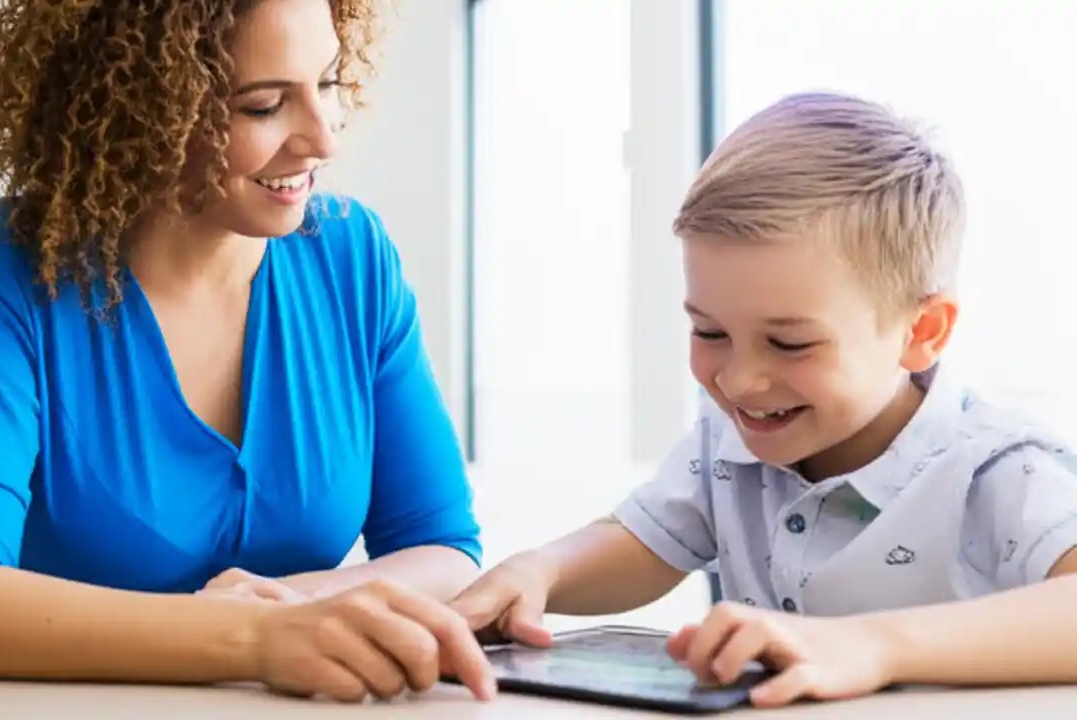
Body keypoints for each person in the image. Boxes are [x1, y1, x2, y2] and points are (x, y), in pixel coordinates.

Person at [0, 0, 495, 703]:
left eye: (329, 82)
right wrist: (253, 637)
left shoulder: (352, 257)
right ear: (140, 106)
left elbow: (445, 551)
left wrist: (300, 610)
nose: (323, 139)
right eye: (262, 106)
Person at [452, 92, 1077, 708]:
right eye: (709, 333)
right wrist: (541, 571)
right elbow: (645, 541)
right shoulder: (731, 441)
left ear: (922, 332)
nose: (739, 381)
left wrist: (872, 645)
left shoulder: (998, 470)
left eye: (789, 343)